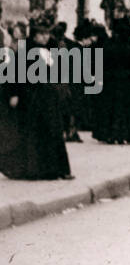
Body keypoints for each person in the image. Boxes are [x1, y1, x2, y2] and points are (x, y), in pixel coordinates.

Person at [0, 21, 74, 180]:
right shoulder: (24, 50)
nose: (45, 37)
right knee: (34, 133)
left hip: (48, 97)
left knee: (52, 131)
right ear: (34, 35)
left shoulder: (50, 50)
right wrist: (14, 94)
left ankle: (55, 169)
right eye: (41, 34)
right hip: (31, 96)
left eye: (47, 34)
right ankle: (34, 169)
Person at [95, 17, 130, 145]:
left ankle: (110, 134)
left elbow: (101, 63)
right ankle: (125, 134)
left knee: (110, 107)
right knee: (125, 108)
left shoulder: (108, 44)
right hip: (127, 80)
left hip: (110, 80)